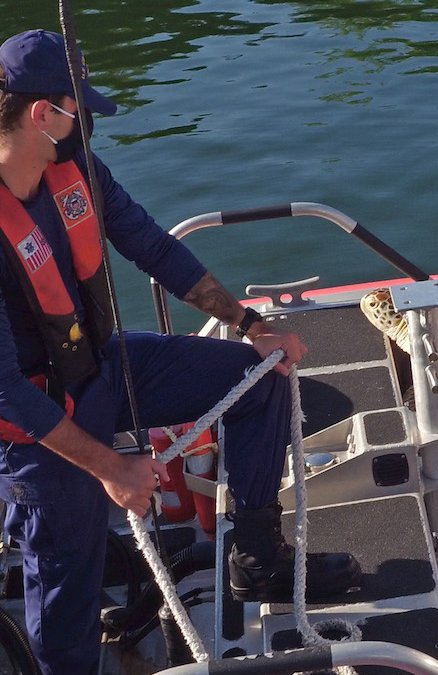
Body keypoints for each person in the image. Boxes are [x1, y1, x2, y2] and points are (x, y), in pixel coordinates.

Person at [0, 29, 362, 673]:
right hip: (35, 424)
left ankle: (257, 560)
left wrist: (250, 324)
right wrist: (110, 467)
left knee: (260, 379)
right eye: (78, 107)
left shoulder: (78, 171)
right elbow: (5, 390)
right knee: (65, 595)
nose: (86, 123)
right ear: (42, 114)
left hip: (102, 367)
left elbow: (152, 246)